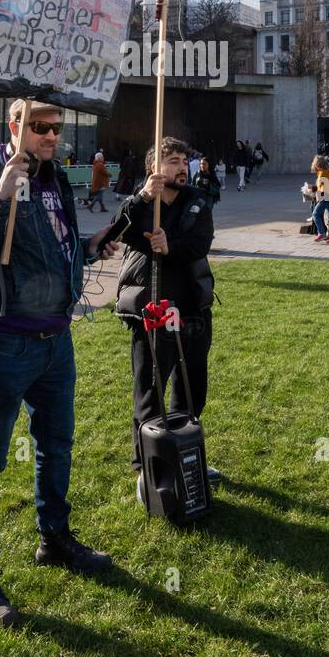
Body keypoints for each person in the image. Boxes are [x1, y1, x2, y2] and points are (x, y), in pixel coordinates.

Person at [0, 98, 119, 629]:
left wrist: (91, 247)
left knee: (57, 443)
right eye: (41, 127)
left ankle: (55, 538)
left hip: (56, 340)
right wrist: (3, 191)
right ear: (15, 126)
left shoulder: (54, 181)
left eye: (57, 127)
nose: (52, 136)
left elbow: (59, 248)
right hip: (5, 342)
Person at [112, 137, 219, 499]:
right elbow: (118, 229)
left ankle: (187, 452)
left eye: (184, 160)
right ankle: (148, 466)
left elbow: (201, 243)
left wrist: (169, 246)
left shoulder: (197, 202)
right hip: (153, 313)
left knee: (192, 389)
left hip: (192, 311)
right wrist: (142, 197)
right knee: (150, 391)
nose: (181, 167)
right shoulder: (144, 204)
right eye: (172, 161)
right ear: (153, 169)